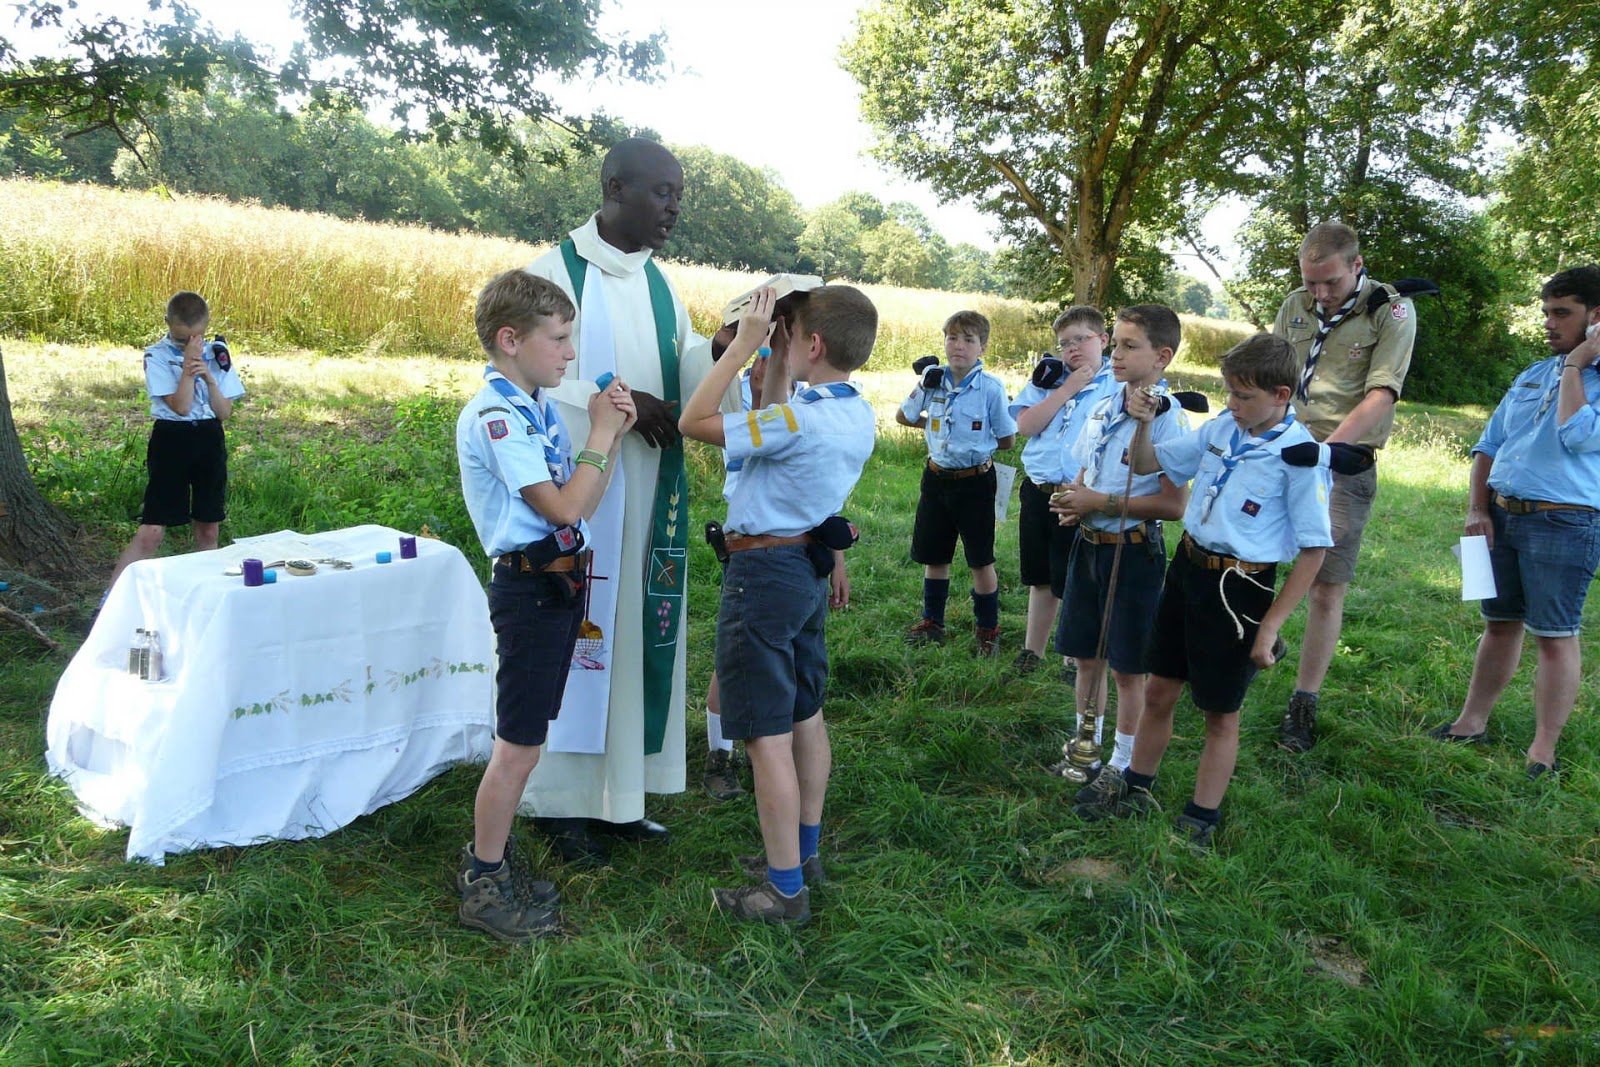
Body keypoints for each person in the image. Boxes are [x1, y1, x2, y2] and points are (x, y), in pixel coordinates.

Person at [522, 138, 721, 866]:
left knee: (633, 632)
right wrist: (616, 403)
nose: (675, 206)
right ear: (615, 185)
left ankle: (621, 800)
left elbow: (682, 359)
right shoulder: (550, 273)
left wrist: (721, 349)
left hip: (645, 490)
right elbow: (521, 382)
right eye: (663, 191)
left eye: (679, 194)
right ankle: (559, 804)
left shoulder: (661, 284)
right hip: (579, 490)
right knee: (578, 637)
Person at [1076, 334, 1332, 850]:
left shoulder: (1301, 457)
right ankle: (1136, 784)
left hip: (1239, 588)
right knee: (1161, 689)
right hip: (1187, 569)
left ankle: (1201, 814)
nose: (1232, 405)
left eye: (1243, 396)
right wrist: (1145, 425)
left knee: (1220, 709)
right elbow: (1148, 465)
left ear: (1281, 394)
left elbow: (1314, 550)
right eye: (1230, 393)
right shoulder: (1220, 428)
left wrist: (1271, 626)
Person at [680, 283, 878, 924]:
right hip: (803, 571)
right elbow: (775, 421)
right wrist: (775, 366)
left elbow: (694, 420)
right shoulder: (854, 412)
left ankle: (783, 889)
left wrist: (739, 348)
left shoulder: (797, 419)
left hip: (762, 573)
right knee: (805, 714)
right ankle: (805, 851)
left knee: (765, 737)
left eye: (786, 335)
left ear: (811, 344)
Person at [454, 269, 637, 941]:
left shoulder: (529, 408)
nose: (568, 354)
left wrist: (610, 436)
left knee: (527, 742)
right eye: (559, 339)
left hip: (554, 583)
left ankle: (492, 864)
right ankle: (483, 879)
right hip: (529, 591)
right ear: (511, 339)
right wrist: (597, 431)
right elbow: (561, 506)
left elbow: (580, 506)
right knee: (517, 747)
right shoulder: (498, 416)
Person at [1426, 266, 1600, 782]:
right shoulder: (1533, 372)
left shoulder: (1576, 373)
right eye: (1547, 312)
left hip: (1565, 523)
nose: (1549, 323)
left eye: (1562, 313)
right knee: (1498, 624)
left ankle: (1543, 750)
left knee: (1554, 633)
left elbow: (1577, 435)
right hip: (1500, 517)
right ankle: (1470, 721)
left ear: (1597, 319)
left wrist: (1578, 365)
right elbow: (1488, 444)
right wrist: (1477, 509)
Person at [1272, 222, 1415, 752]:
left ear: (1356, 265)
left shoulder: (1390, 311)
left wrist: (1324, 453)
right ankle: (1252, 645)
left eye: (1329, 282)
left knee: (1326, 585)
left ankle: (1303, 702)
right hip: (1283, 451)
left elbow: (1382, 394)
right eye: (1311, 282)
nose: (1320, 294)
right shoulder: (1296, 304)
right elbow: (1276, 373)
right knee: (1250, 554)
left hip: (1341, 463)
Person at [1049, 305, 1188, 786]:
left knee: (1128, 667)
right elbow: (1089, 466)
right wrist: (1075, 500)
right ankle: (1085, 747)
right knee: (1087, 657)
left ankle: (1123, 762)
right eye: (1118, 344)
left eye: (1131, 346)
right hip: (1090, 544)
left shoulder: (1168, 419)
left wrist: (1099, 500)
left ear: (1162, 356)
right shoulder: (1106, 404)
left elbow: (1173, 505)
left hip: (1133, 552)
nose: (1118, 354)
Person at [896, 310, 1018, 655]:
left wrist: (971, 442)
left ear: (983, 347)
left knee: (980, 558)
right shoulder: (933, 381)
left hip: (974, 482)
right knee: (935, 554)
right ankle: (933, 622)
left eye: (968, 340)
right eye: (952, 338)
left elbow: (1007, 439)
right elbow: (903, 417)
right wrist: (924, 387)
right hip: (936, 478)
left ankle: (987, 630)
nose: (958, 346)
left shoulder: (990, 389)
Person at [108, 291, 246, 590]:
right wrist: (187, 369)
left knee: (208, 527)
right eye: (182, 338)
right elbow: (181, 407)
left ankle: (211, 592)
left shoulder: (217, 354)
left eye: (196, 337)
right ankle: (111, 597)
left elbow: (224, 413)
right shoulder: (156, 355)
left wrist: (209, 377)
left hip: (208, 438)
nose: (190, 344)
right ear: (167, 323)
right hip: (172, 439)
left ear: (206, 327)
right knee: (153, 530)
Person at [1006, 306, 1116, 680]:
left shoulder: (1115, 385)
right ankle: (1032, 651)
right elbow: (1025, 425)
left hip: (1078, 495)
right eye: (1064, 343)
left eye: (1081, 339)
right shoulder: (1049, 377)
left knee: (1075, 579)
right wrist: (1067, 388)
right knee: (1041, 578)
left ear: (1103, 340)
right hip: (1039, 490)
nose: (1072, 349)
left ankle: (1073, 657)